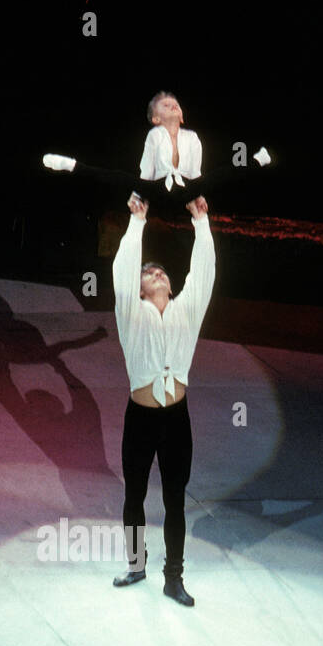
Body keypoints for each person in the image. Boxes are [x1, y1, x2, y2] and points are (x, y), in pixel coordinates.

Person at [111, 192, 215, 606]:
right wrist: (137, 222)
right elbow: (122, 272)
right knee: (134, 495)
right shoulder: (130, 314)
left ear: (170, 284)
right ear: (137, 288)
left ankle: (174, 577)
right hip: (140, 420)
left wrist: (201, 223)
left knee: (175, 498)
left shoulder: (186, 309)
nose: (154, 273)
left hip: (176, 421)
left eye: (159, 272)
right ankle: (137, 564)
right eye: (147, 272)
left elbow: (204, 273)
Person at [44, 90, 263, 218]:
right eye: (166, 106)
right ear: (156, 119)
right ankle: (72, 165)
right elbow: (146, 168)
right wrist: (138, 193)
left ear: (183, 115)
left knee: (220, 175)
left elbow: (196, 171)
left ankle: (258, 162)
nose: (173, 106)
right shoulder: (154, 135)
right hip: (158, 188)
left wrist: (198, 196)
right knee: (118, 176)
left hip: (187, 187)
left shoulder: (192, 137)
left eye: (175, 104)